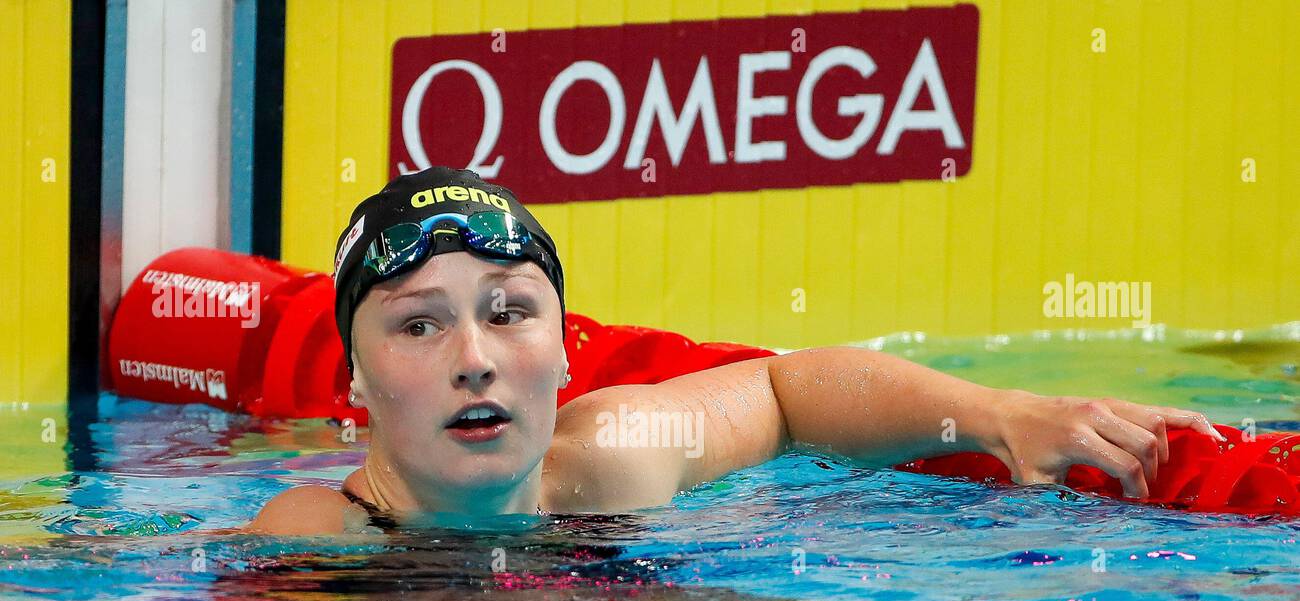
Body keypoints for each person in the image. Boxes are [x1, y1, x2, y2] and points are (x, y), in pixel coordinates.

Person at [248, 166, 1222, 534]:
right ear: (354, 376)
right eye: (419, 322)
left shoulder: (608, 456)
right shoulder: (315, 536)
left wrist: (1000, 412)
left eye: (509, 312)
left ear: (559, 355)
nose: (476, 355)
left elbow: (787, 390)